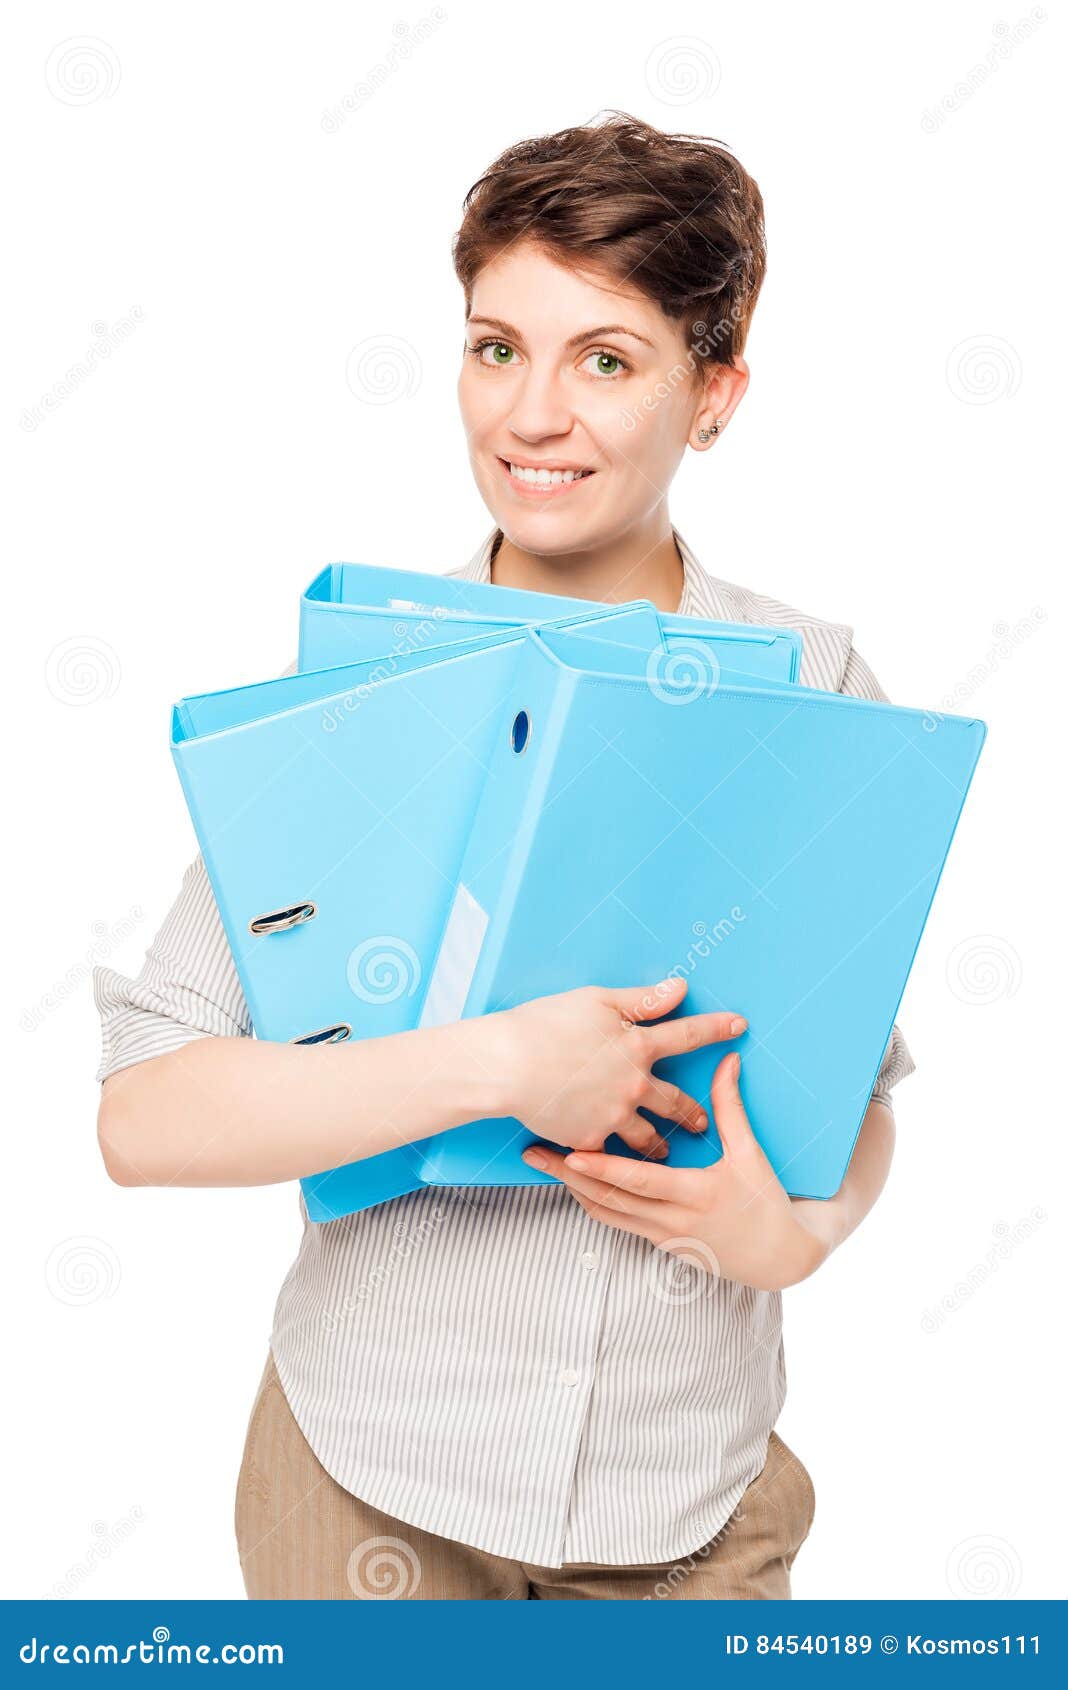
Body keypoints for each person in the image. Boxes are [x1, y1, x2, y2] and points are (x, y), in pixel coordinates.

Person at [94, 112, 913, 1601]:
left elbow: (849, 1086)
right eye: (495, 348)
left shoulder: (811, 683)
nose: (531, 414)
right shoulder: (361, 689)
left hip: (692, 1508)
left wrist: (795, 1232)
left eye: (606, 359)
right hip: (367, 1486)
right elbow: (147, 1115)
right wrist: (500, 1067)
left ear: (714, 393)